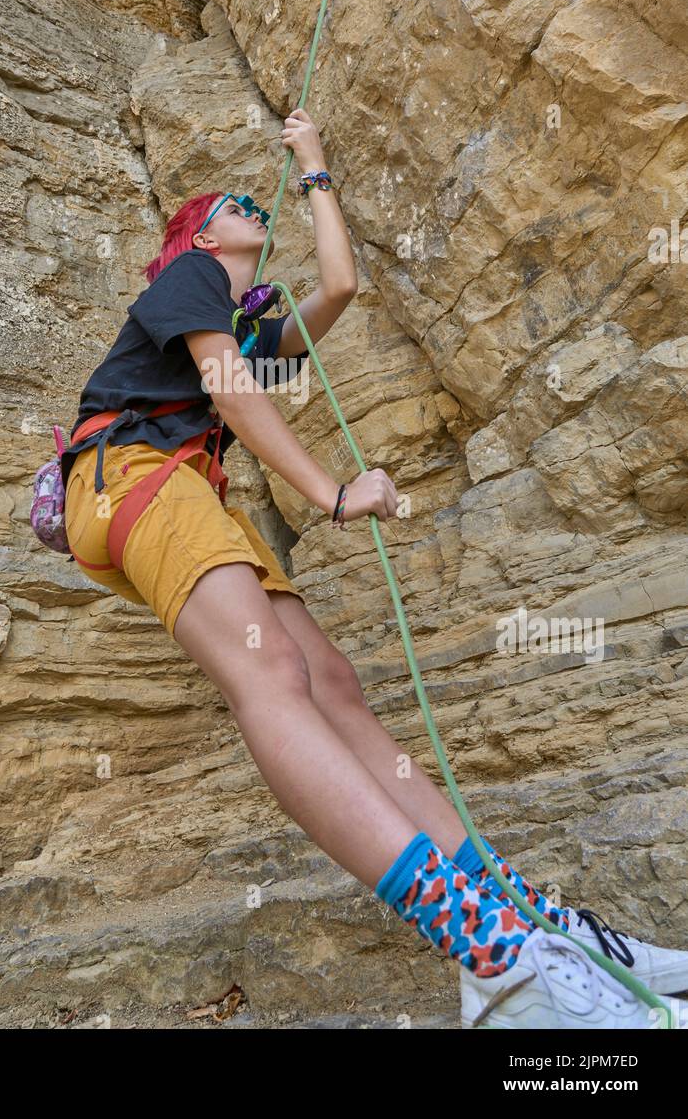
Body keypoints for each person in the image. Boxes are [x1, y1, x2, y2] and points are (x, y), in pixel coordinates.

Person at [62, 108, 688, 1029]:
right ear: (199, 235)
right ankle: (493, 957)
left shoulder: (234, 318)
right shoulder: (190, 279)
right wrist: (331, 493)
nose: (251, 205)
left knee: (332, 682)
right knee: (272, 673)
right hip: (132, 478)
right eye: (236, 203)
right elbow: (232, 394)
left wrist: (313, 168)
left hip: (181, 490)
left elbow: (339, 290)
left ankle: (534, 929)